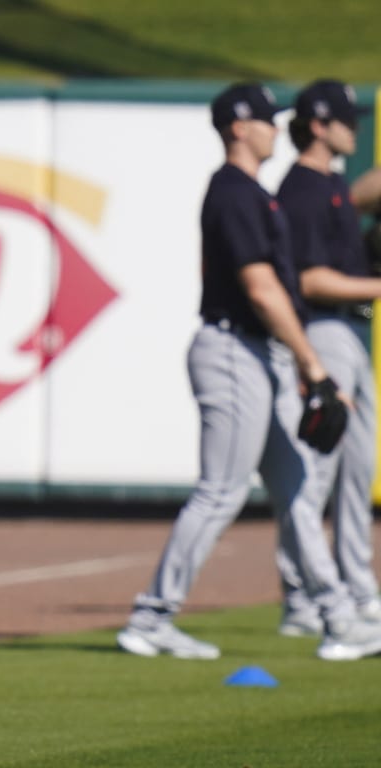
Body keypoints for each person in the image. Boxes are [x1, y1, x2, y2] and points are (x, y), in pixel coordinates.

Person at [116, 83, 381, 662]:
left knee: (296, 492)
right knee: (221, 491)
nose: (271, 130)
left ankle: (340, 619)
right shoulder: (234, 191)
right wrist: (313, 367)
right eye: (264, 121)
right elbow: (261, 290)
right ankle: (151, 617)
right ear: (240, 127)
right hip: (235, 350)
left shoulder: (255, 193)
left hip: (260, 354)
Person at [273, 80, 381, 636]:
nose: (354, 127)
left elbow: (369, 190)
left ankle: (357, 588)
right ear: (318, 124)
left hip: (348, 333)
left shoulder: (333, 185)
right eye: (344, 118)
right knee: (313, 473)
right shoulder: (302, 192)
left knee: (357, 469)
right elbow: (311, 279)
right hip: (321, 331)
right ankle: (302, 599)